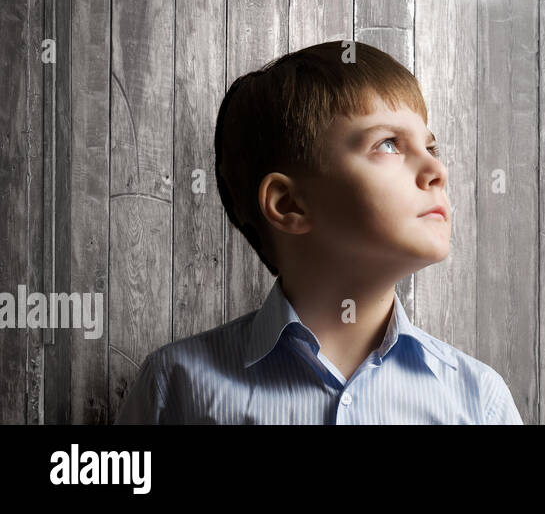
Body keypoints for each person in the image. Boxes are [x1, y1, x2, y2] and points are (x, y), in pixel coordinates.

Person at [116, 41, 522, 424]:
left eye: (431, 148)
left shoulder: (479, 400)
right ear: (289, 204)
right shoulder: (175, 388)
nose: (438, 171)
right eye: (388, 145)